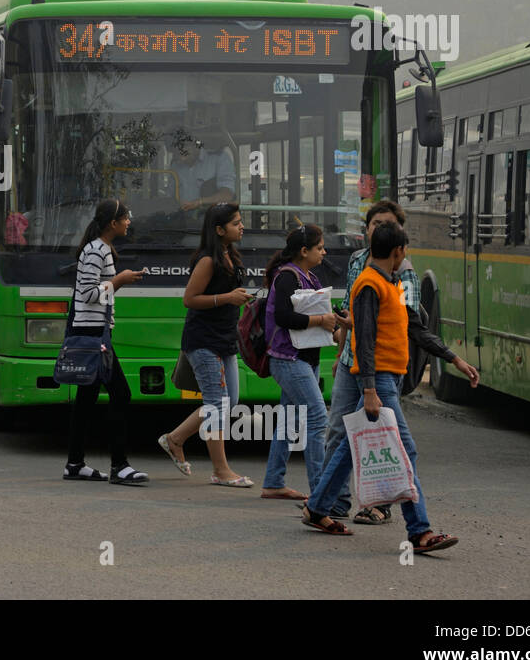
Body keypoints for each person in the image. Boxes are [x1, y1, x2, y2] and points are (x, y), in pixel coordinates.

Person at [300, 222, 480, 550]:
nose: (405, 254)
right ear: (397, 251)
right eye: (405, 250)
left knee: (349, 446)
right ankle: (419, 531)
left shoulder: (391, 282)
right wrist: (369, 389)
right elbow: (365, 340)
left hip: (385, 377)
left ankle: (317, 508)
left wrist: (455, 360)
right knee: (404, 449)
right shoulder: (370, 284)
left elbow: (415, 328)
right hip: (378, 379)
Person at [321, 200, 418, 525]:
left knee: (388, 439)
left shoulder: (403, 271)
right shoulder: (357, 263)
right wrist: (339, 353)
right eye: (376, 224)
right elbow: (355, 318)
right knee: (341, 433)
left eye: (387, 224)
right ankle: (330, 503)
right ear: (367, 230)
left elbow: (408, 321)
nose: (380, 229)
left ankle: (380, 506)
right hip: (352, 362)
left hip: (383, 369)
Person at [157, 202, 255, 486]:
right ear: (219, 230)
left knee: (230, 401)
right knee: (215, 404)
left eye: (240, 222)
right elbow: (190, 299)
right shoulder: (208, 260)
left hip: (225, 339)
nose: (241, 226)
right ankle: (221, 471)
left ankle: (174, 439)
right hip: (203, 341)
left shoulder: (230, 255)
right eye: (236, 223)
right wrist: (227, 298)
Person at [63, 198, 148, 485]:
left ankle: (75, 464)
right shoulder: (97, 251)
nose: (129, 222)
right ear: (113, 222)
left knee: (86, 399)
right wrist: (120, 280)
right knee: (121, 394)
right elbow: (87, 293)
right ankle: (119, 466)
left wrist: (119, 283)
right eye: (126, 217)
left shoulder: (100, 249)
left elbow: (99, 294)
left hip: (95, 329)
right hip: (92, 333)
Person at [259, 224, 344, 500]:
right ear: (304, 251)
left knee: (288, 420)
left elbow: (325, 313)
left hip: (305, 359)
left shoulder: (310, 278)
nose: (324, 252)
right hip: (289, 359)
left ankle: (273, 483)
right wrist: (321, 320)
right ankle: (320, 493)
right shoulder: (286, 277)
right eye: (320, 248)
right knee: (318, 417)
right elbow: (283, 317)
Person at [171, 136, 235, 212]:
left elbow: (227, 195)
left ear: (194, 145)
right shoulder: (175, 165)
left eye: (184, 153)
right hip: (180, 217)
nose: (181, 159)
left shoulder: (219, 158)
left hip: (211, 217)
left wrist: (200, 202)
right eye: (177, 153)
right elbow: (170, 195)